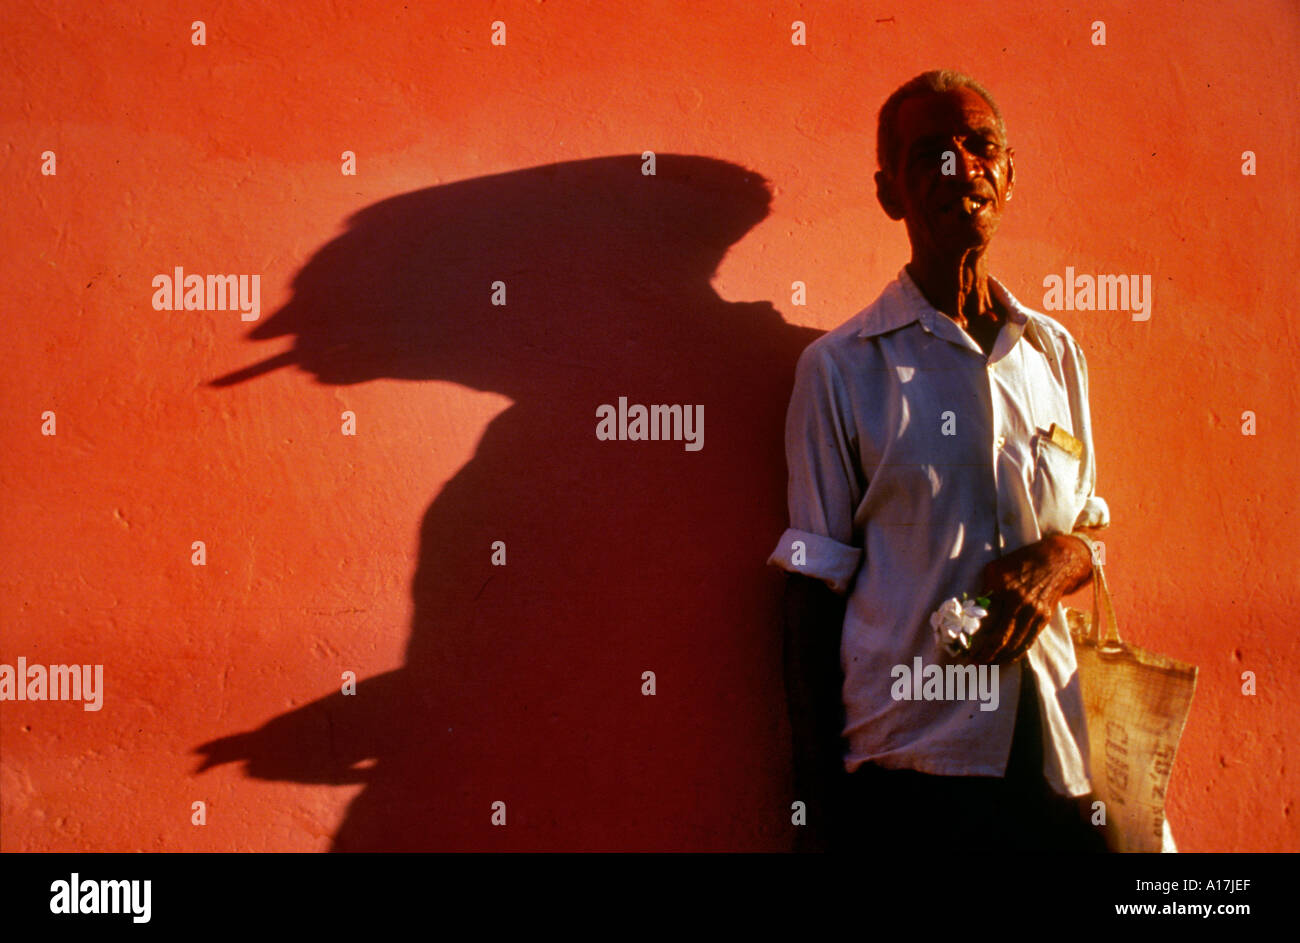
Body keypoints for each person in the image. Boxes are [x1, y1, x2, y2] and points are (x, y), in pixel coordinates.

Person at [769, 70, 1110, 852]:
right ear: (890, 193)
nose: (961, 166)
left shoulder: (1055, 356)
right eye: (930, 154)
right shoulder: (842, 368)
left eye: (979, 145)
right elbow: (811, 589)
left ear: (1009, 174)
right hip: (913, 768)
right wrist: (816, 807)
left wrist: (1059, 559)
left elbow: (1090, 526)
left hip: (1058, 749)